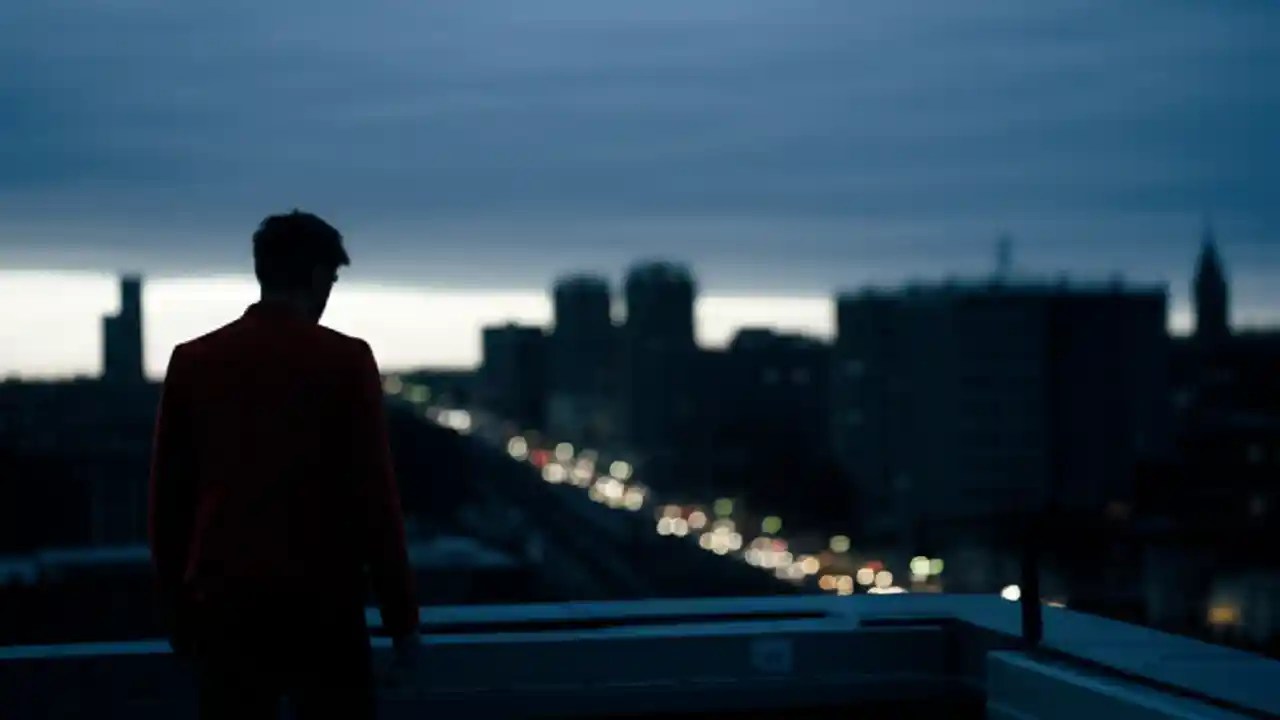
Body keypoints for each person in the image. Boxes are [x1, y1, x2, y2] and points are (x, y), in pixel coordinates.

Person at [148, 210, 420, 719]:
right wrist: (401, 621)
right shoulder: (346, 360)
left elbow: (169, 503)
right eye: (332, 280)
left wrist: (178, 616)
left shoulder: (192, 361)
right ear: (318, 276)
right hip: (325, 605)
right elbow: (376, 501)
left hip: (226, 606)